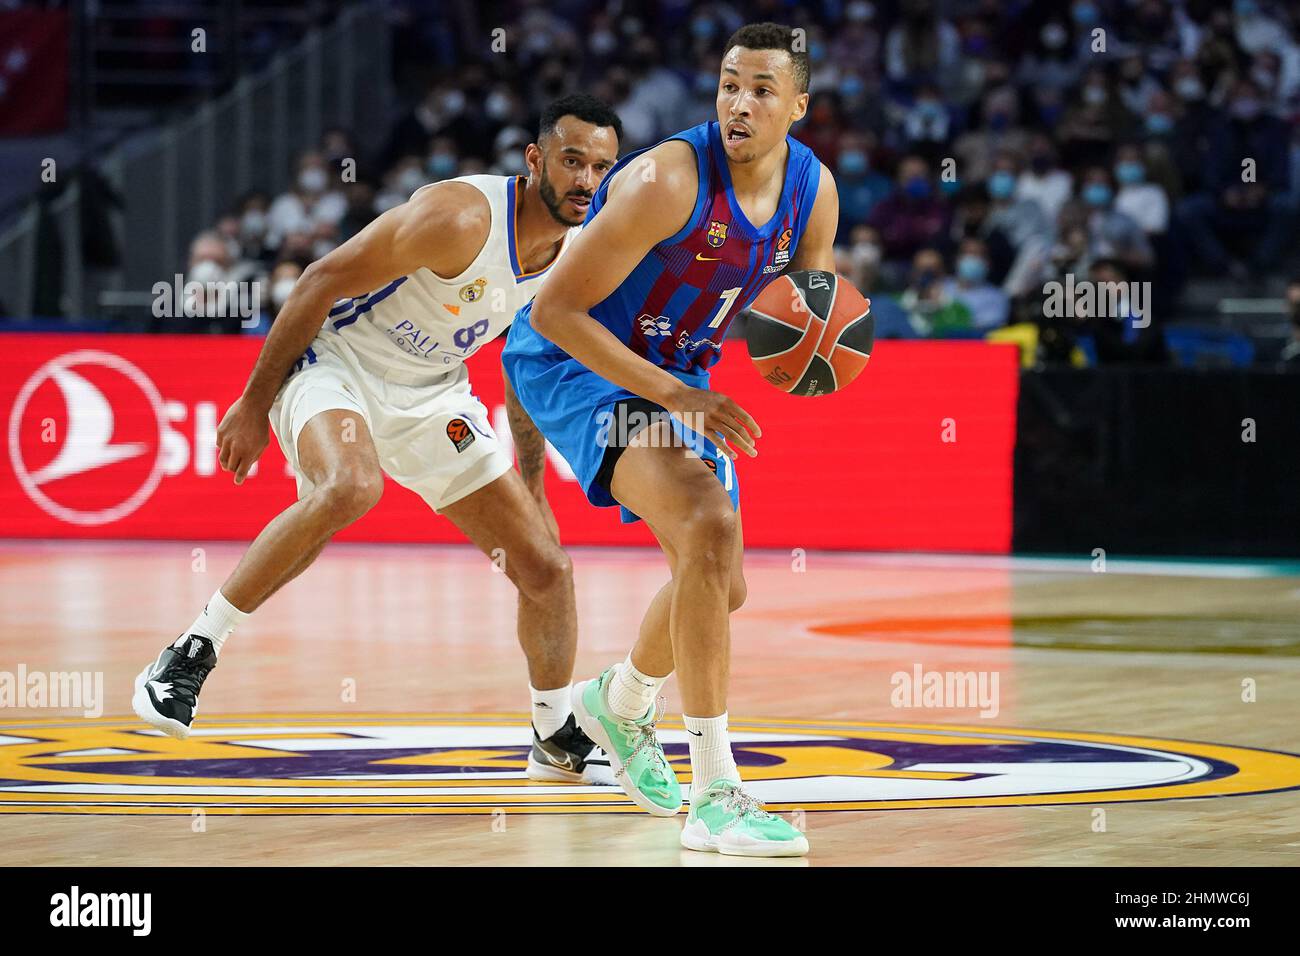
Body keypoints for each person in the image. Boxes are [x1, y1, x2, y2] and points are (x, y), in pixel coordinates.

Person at [132, 96, 623, 787]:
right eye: (573, 161)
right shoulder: (460, 218)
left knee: (548, 572)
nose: (586, 180)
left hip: (434, 394)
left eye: (601, 167)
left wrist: (535, 484)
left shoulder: (577, 253)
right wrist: (253, 402)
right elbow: (318, 281)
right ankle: (190, 651)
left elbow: (522, 363)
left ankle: (551, 730)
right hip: (335, 361)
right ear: (536, 159)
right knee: (353, 487)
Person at [502, 22, 838, 857]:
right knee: (708, 527)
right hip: (578, 362)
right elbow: (553, 312)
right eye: (729, 83)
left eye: (762, 88)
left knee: (719, 584)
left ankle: (616, 705)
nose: (739, 101)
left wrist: (815, 346)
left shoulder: (814, 192)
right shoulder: (663, 179)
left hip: (675, 374)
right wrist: (680, 394)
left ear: (798, 105)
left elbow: (804, 311)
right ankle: (717, 793)